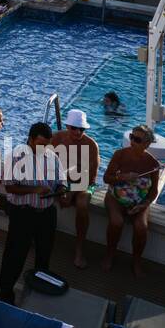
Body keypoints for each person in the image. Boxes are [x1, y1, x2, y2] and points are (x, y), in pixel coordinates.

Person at [0, 122, 64, 304]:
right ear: (30, 139)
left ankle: (38, 292)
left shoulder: (52, 157)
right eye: (41, 144)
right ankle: (5, 293)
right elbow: (9, 186)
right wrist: (35, 190)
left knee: (44, 254)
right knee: (15, 254)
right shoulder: (15, 157)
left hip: (47, 213)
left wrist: (61, 188)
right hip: (23, 213)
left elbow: (60, 179)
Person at [101, 124, 163, 277]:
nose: (132, 141)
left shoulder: (152, 163)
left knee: (141, 227)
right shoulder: (120, 155)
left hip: (139, 200)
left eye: (137, 139)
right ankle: (110, 255)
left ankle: (136, 261)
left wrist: (143, 205)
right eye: (131, 137)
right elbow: (106, 178)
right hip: (115, 196)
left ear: (147, 144)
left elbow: (153, 191)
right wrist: (123, 176)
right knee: (117, 222)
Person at [52, 109, 100, 268]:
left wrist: (71, 192)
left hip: (84, 183)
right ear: (67, 126)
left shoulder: (91, 145)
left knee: (82, 204)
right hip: (62, 180)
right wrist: (60, 188)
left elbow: (91, 177)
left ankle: (79, 249)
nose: (78, 132)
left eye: (82, 129)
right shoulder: (56, 138)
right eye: (74, 128)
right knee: (39, 192)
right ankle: (36, 236)